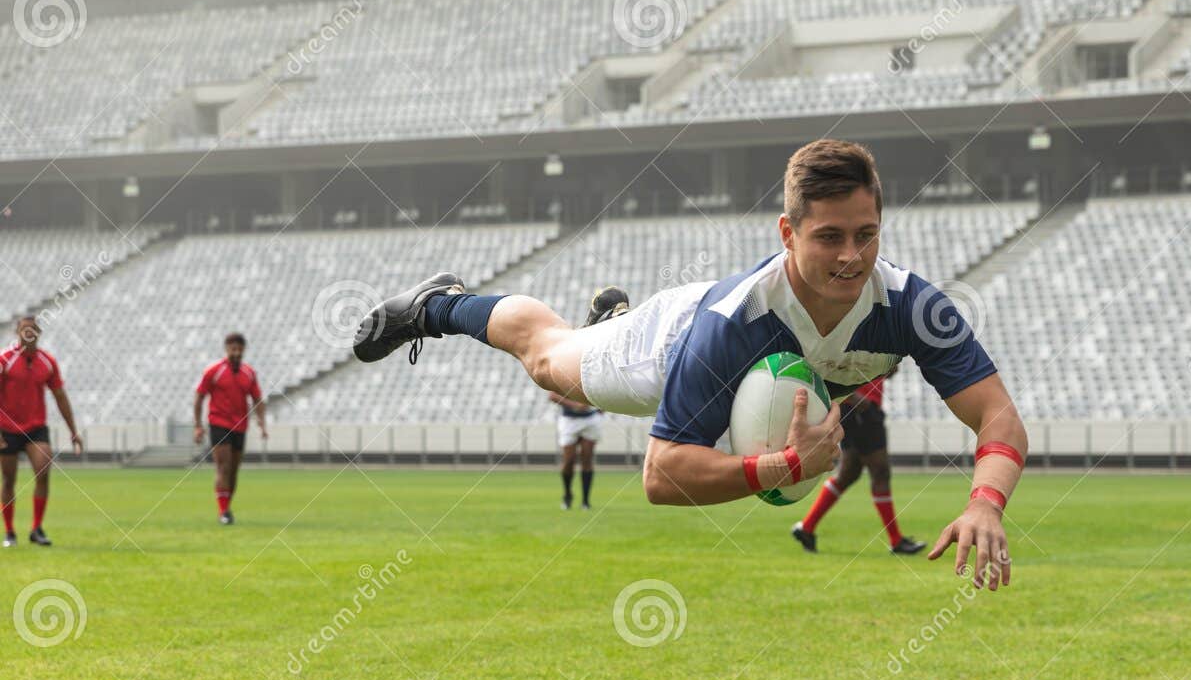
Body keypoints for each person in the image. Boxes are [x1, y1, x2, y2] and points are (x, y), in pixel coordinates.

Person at [353, 139, 1025, 587]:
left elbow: (996, 414)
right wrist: (785, 468)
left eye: (867, 234)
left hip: (769, 374)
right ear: (788, 234)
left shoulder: (912, 305)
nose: (851, 255)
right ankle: (438, 306)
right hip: (667, 343)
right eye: (829, 237)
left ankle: (604, 319)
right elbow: (662, 474)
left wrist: (986, 502)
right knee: (549, 358)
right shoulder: (731, 323)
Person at [791, 373, 924, 555]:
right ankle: (896, 541)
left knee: (848, 474)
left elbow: (888, 370)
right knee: (880, 472)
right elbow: (835, 364)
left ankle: (806, 528)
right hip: (860, 409)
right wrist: (854, 396)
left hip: (861, 407)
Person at [0, 315, 83, 547]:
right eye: (24, 329)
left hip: (36, 427)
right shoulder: (5, 359)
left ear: (38, 332)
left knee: (43, 469)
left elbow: (60, 396)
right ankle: (9, 532)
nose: (29, 332)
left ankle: (36, 528)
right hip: (6, 428)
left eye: (33, 328)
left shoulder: (47, 362)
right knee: (8, 479)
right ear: (17, 332)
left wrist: (73, 430)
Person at [194, 332, 267, 525]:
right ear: (227, 349)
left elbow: (257, 398)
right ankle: (223, 511)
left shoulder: (249, 373)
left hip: (240, 425)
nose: (236, 352)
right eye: (232, 349)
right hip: (218, 423)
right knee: (223, 466)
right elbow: (200, 397)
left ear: (243, 350)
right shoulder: (214, 371)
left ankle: (226, 507)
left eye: (239, 349)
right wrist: (198, 426)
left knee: (234, 470)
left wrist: (261, 422)